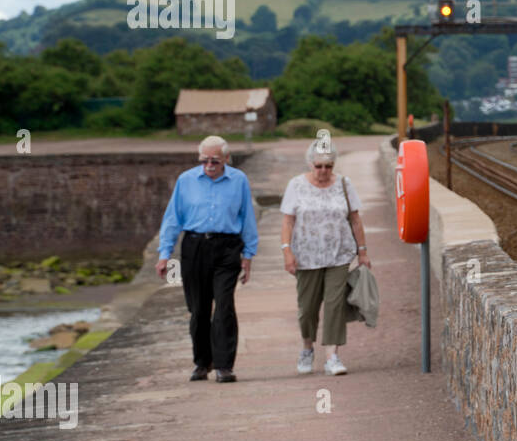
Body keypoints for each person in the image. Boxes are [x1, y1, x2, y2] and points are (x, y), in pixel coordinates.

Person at [156, 135, 259, 383]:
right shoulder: (186, 180)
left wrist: (248, 255)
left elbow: (247, 218)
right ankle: (203, 362)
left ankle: (224, 366)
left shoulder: (238, 180)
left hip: (227, 248)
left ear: (226, 159)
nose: (209, 165)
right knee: (198, 310)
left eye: (214, 161)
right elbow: (172, 219)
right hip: (195, 247)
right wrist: (164, 254)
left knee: (224, 306)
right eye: (204, 160)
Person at [280, 138, 371, 375]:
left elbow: (355, 219)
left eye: (328, 166)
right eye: (318, 165)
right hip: (306, 256)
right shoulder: (296, 185)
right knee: (307, 309)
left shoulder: (344, 184)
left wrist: (363, 252)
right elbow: (288, 221)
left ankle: (332, 356)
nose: (323, 171)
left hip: (339, 255)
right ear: (310, 163)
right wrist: (286, 251)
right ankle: (307, 347)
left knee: (335, 305)